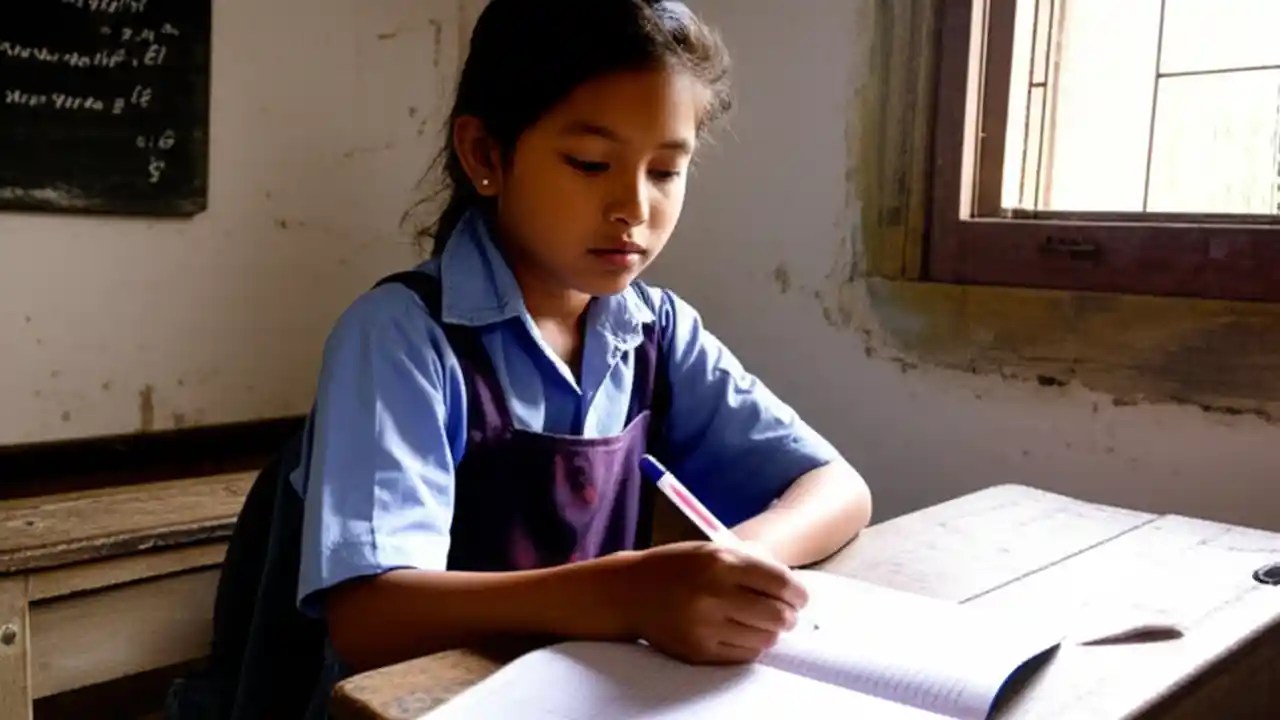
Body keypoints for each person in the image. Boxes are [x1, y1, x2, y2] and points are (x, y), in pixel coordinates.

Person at [171, 2, 873, 718]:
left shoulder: (656, 331)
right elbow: (370, 615)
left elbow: (838, 488)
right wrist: (626, 594)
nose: (633, 205)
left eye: (665, 170)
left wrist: (735, 565)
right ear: (485, 155)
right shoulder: (401, 336)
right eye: (590, 164)